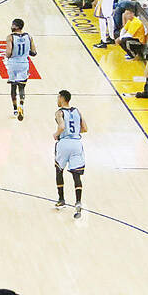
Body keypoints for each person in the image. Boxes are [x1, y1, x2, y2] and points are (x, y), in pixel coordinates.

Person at [54, 89, 87, 218]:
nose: (57, 100)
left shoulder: (59, 112)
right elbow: (85, 128)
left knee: (59, 170)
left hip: (64, 143)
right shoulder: (77, 111)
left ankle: (61, 200)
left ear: (62, 98)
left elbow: (61, 127)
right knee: (76, 174)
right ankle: (78, 202)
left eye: (58, 98)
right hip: (77, 143)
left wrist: (56, 134)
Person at [5, 18, 37, 121]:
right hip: (24, 64)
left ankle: (15, 109)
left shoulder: (10, 37)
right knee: (22, 87)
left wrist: (9, 55)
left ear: (16, 26)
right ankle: (21, 105)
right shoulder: (29, 37)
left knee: (13, 87)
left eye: (12, 25)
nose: (11, 27)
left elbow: (8, 53)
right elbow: (34, 53)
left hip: (13, 63)